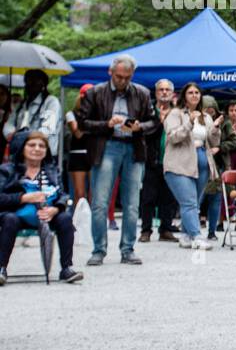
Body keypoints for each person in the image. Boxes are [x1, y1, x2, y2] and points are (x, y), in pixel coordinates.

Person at [77, 54, 155, 266]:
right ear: (110, 72)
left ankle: (128, 249)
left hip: (133, 147)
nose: (122, 81)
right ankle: (99, 250)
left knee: (132, 204)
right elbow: (82, 122)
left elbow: (154, 121)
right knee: (100, 202)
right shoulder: (95, 92)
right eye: (119, 76)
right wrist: (106, 124)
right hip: (106, 146)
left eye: (126, 77)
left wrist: (140, 126)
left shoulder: (142, 93)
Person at [0, 130, 82, 285]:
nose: (37, 149)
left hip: (47, 215)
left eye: (41, 146)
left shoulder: (52, 171)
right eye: (32, 145)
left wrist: (55, 209)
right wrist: (24, 198)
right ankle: (1, 268)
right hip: (16, 214)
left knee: (65, 218)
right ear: (23, 148)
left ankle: (66, 268)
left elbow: (63, 195)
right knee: (10, 219)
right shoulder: (7, 170)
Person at [162, 82, 220, 250]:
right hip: (179, 163)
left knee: (194, 202)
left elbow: (214, 141)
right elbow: (173, 137)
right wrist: (189, 122)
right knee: (189, 202)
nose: (194, 95)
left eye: (197, 92)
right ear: (184, 96)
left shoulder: (205, 117)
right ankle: (196, 236)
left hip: (202, 162)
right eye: (190, 92)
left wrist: (215, 129)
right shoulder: (175, 114)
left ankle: (186, 235)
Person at [138, 79, 179, 244]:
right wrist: (159, 122)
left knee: (168, 198)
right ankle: (146, 230)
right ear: (155, 93)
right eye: (161, 90)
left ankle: (166, 229)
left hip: (171, 160)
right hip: (152, 159)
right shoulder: (149, 111)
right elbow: (143, 131)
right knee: (148, 197)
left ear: (172, 93)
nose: (164, 92)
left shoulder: (177, 112)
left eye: (167, 90)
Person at [3, 69, 62, 160]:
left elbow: (48, 129)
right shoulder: (22, 105)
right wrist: (10, 133)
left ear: (43, 84)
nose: (30, 85)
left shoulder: (51, 102)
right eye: (27, 81)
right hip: (20, 154)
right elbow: (9, 123)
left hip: (43, 156)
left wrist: (25, 137)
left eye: (35, 81)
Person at [202, 95, 236, 241]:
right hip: (199, 161)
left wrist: (219, 148)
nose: (210, 112)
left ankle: (212, 231)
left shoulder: (225, 122)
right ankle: (191, 230)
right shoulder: (197, 120)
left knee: (215, 198)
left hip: (218, 164)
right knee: (197, 197)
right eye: (206, 109)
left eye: (212, 109)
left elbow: (233, 141)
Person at [62, 83, 94, 206]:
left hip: (93, 154)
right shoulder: (71, 113)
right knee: (79, 194)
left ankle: (92, 222)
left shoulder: (98, 114)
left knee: (94, 193)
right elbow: (78, 133)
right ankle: (76, 222)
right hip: (77, 155)